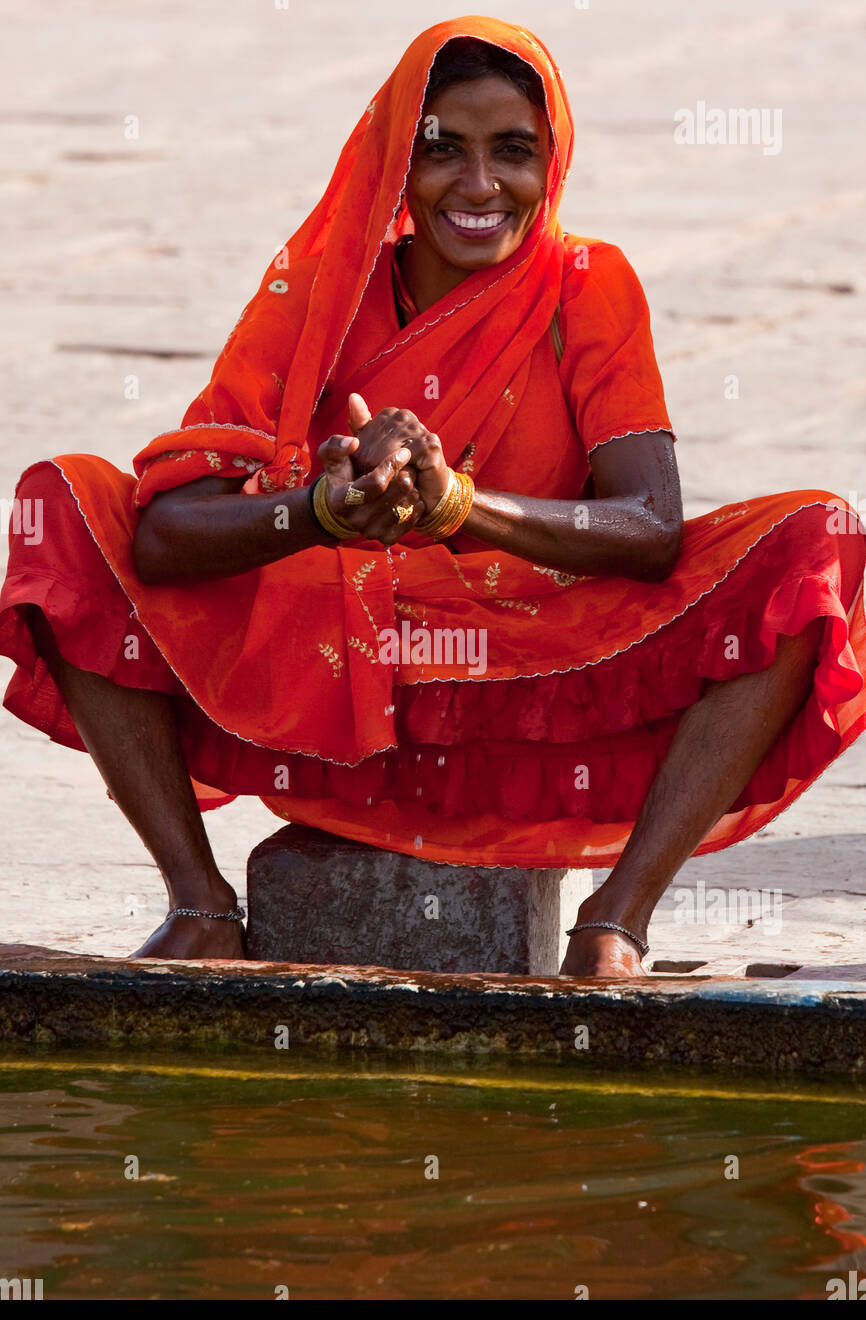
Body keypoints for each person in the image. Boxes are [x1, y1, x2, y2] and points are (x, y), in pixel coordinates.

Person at [1, 17, 864, 977]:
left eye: (514, 153)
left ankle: (613, 924)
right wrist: (318, 514)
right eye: (442, 149)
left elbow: (650, 530)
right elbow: (164, 535)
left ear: (555, 161)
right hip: (325, 671)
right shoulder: (320, 292)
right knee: (67, 503)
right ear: (394, 168)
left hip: (523, 663)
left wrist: (457, 507)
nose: (481, 185)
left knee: (813, 537)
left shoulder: (589, 287)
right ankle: (200, 905)